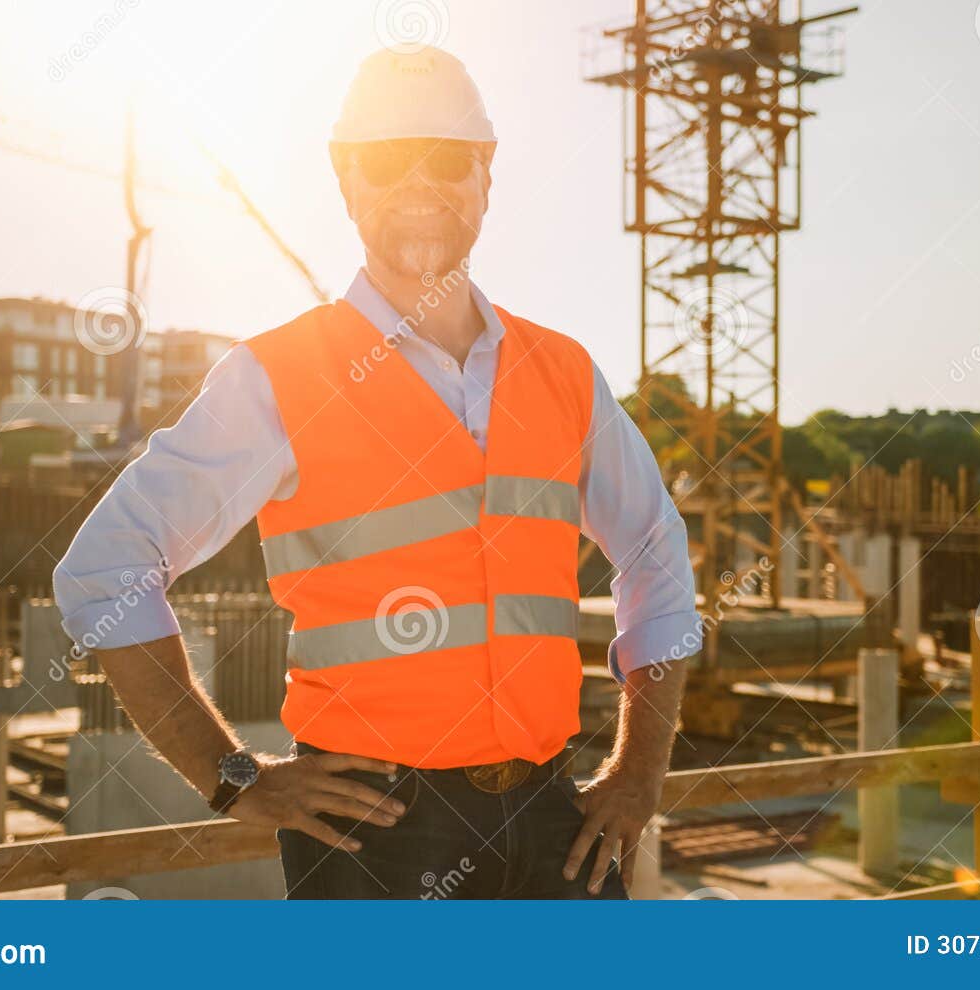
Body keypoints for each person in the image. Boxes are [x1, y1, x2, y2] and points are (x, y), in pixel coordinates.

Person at [54, 46, 701, 899]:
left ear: (487, 175)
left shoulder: (563, 372)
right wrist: (229, 775)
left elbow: (656, 552)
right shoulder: (278, 376)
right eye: (389, 159)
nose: (421, 185)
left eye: (448, 158)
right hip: (377, 838)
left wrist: (640, 770)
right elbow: (104, 572)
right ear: (346, 180)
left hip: (556, 823)